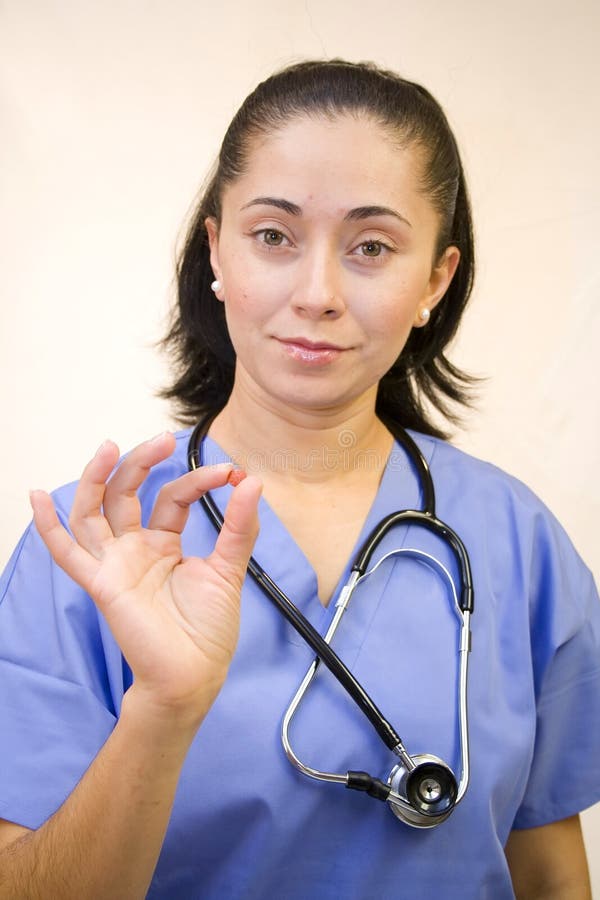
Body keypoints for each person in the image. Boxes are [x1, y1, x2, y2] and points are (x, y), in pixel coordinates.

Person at [0, 59, 598, 900]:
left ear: (436, 279)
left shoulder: (518, 541)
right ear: (216, 251)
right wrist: (162, 713)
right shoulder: (92, 547)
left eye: (372, 247)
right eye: (273, 235)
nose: (316, 292)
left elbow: (553, 880)